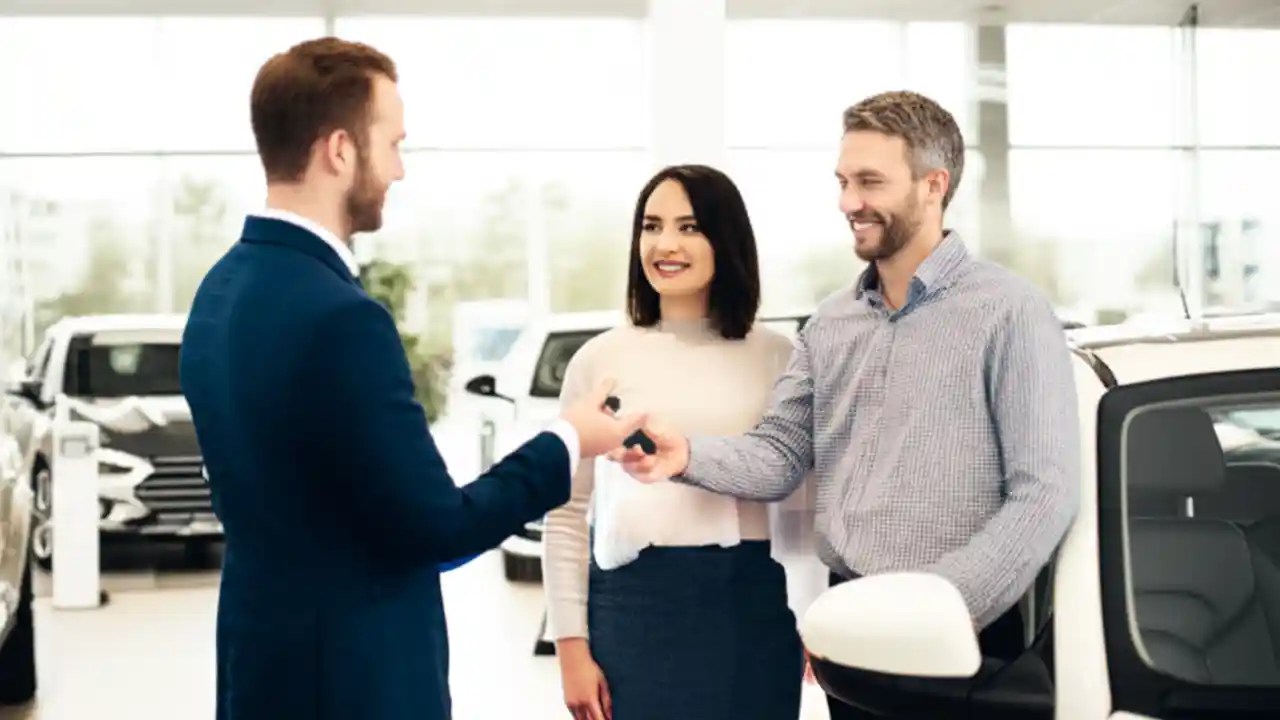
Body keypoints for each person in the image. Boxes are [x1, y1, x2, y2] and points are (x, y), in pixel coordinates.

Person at [178, 38, 646, 720]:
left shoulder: (217, 292)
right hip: (353, 682)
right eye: (392, 143)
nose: (399, 169)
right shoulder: (343, 319)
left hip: (260, 671)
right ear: (340, 150)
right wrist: (568, 440)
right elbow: (436, 529)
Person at [609, 91, 1082, 719]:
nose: (847, 202)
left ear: (933, 185)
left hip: (964, 640)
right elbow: (780, 455)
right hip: (853, 630)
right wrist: (686, 453)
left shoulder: (1010, 312)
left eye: (869, 182)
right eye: (842, 181)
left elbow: (1044, 492)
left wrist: (946, 607)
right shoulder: (829, 325)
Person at [543, 165, 820, 720]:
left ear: (726, 239)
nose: (665, 244)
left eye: (689, 227)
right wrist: (570, 645)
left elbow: (802, 506)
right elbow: (566, 512)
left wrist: (813, 613)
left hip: (751, 605)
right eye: (651, 226)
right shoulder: (599, 358)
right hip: (633, 606)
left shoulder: (779, 356)